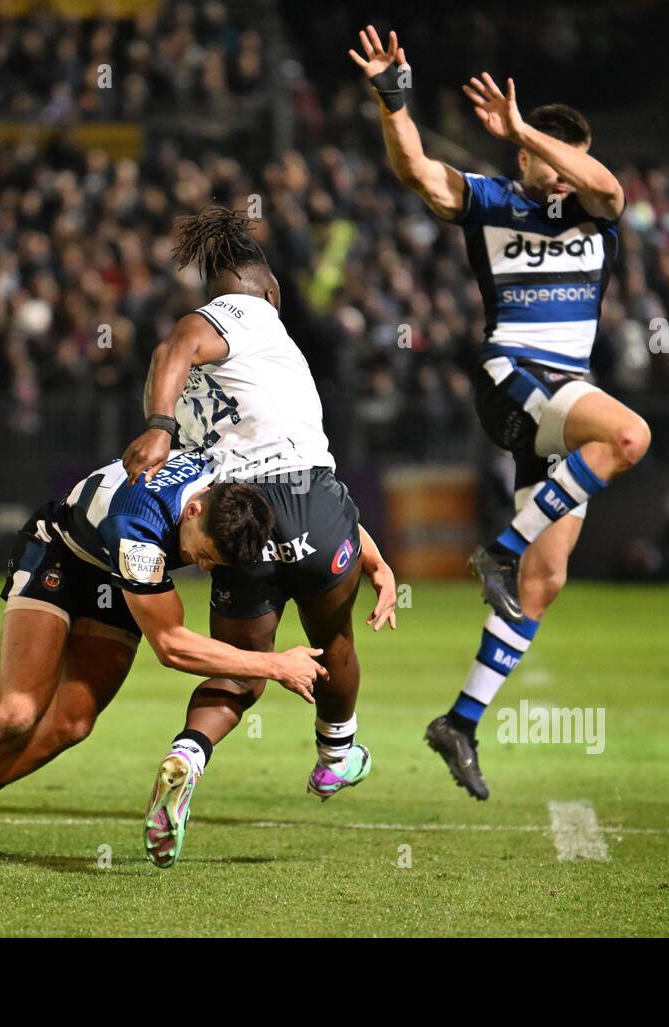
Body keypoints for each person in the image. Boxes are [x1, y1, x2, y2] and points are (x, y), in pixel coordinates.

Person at [352, 25, 649, 798]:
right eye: (537, 156)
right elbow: (415, 168)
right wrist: (395, 99)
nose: (552, 172)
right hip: (513, 377)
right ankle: (497, 548)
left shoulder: (599, 212)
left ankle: (460, 721)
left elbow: (610, 188)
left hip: (561, 410)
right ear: (520, 160)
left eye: (562, 157)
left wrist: (526, 128)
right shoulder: (491, 202)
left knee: (544, 581)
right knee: (629, 434)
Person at [0, 451, 327, 868]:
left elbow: (317, 495)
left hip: (113, 577)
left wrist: (372, 557)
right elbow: (172, 645)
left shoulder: (229, 472)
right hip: (60, 556)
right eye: (205, 554)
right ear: (194, 508)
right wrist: (276, 665)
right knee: (17, 710)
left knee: (70, 723)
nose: (203, 566)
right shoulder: (138, 525)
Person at [121, 205, 398, 868]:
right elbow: (180, 339)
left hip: (239, 518)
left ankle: (188, 752)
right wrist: (158, 426)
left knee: (241, 672)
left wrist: (163, 416)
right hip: (308, 504)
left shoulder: (197, 380)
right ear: (270, 288)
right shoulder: (250, 315)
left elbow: (244, 440)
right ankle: (336, 755)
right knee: (332, 642)